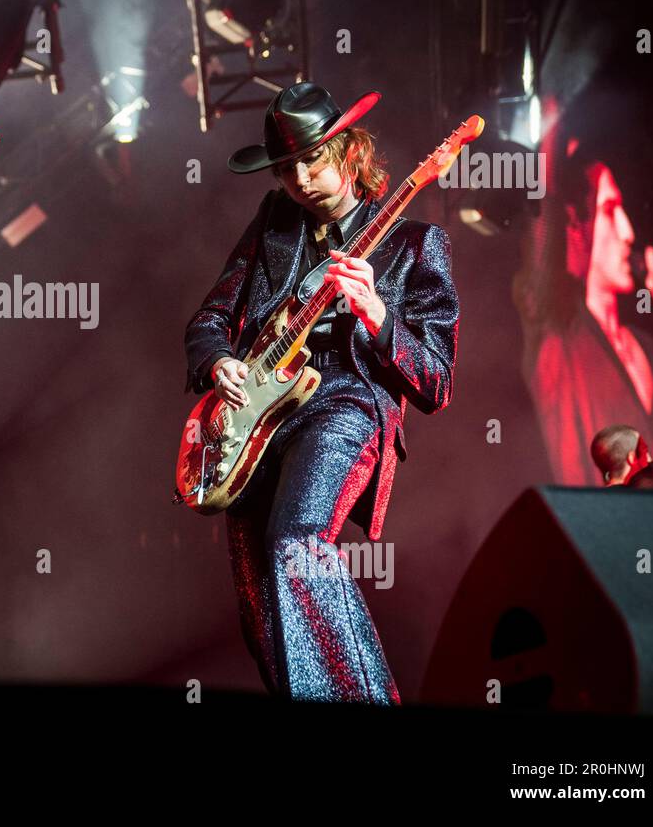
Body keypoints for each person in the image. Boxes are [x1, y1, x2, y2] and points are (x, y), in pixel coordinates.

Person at [184, 82, 460, 704]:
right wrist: (218, 361)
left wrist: (378, 314)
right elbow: (207, 321)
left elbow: (437, 381)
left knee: (298, 546)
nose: (302, 179)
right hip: (256, 420)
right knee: (261, 604)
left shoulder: (416, 244)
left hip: (345, 403)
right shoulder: (273, 227)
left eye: (314, 160)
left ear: (351, 149)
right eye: (287, 169)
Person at [515, 136, 653, 487]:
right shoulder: (559, 330)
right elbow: (543, 225)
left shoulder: (645, 348)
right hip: (592, 528)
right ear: (576, 227)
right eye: (612, 210)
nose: (629, 232)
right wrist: (551, 126)